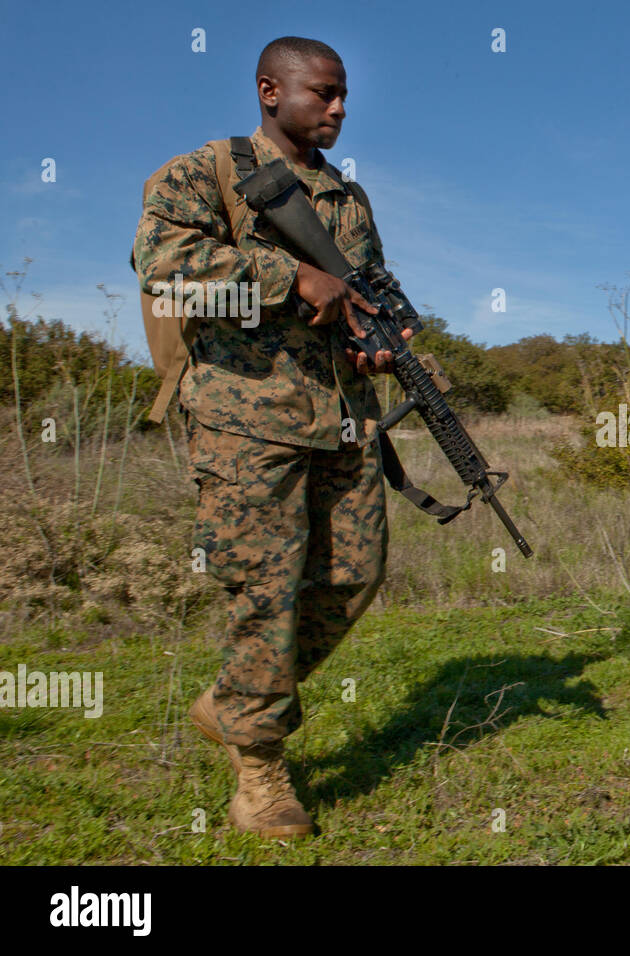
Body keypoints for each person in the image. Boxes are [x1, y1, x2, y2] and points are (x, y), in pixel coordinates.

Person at [133, 36, 412, 837]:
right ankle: (260, 774)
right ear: (268, 90)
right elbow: (162, 265)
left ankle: (232, 701)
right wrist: (292, 279)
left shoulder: (348, 200)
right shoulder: (204, 171)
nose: (339, 108)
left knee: (354, 574)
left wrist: (377, 343)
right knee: (265, 592)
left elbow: (361, 294)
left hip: (342, 419)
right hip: (244, 419)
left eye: (343, 94)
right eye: (323, 93)